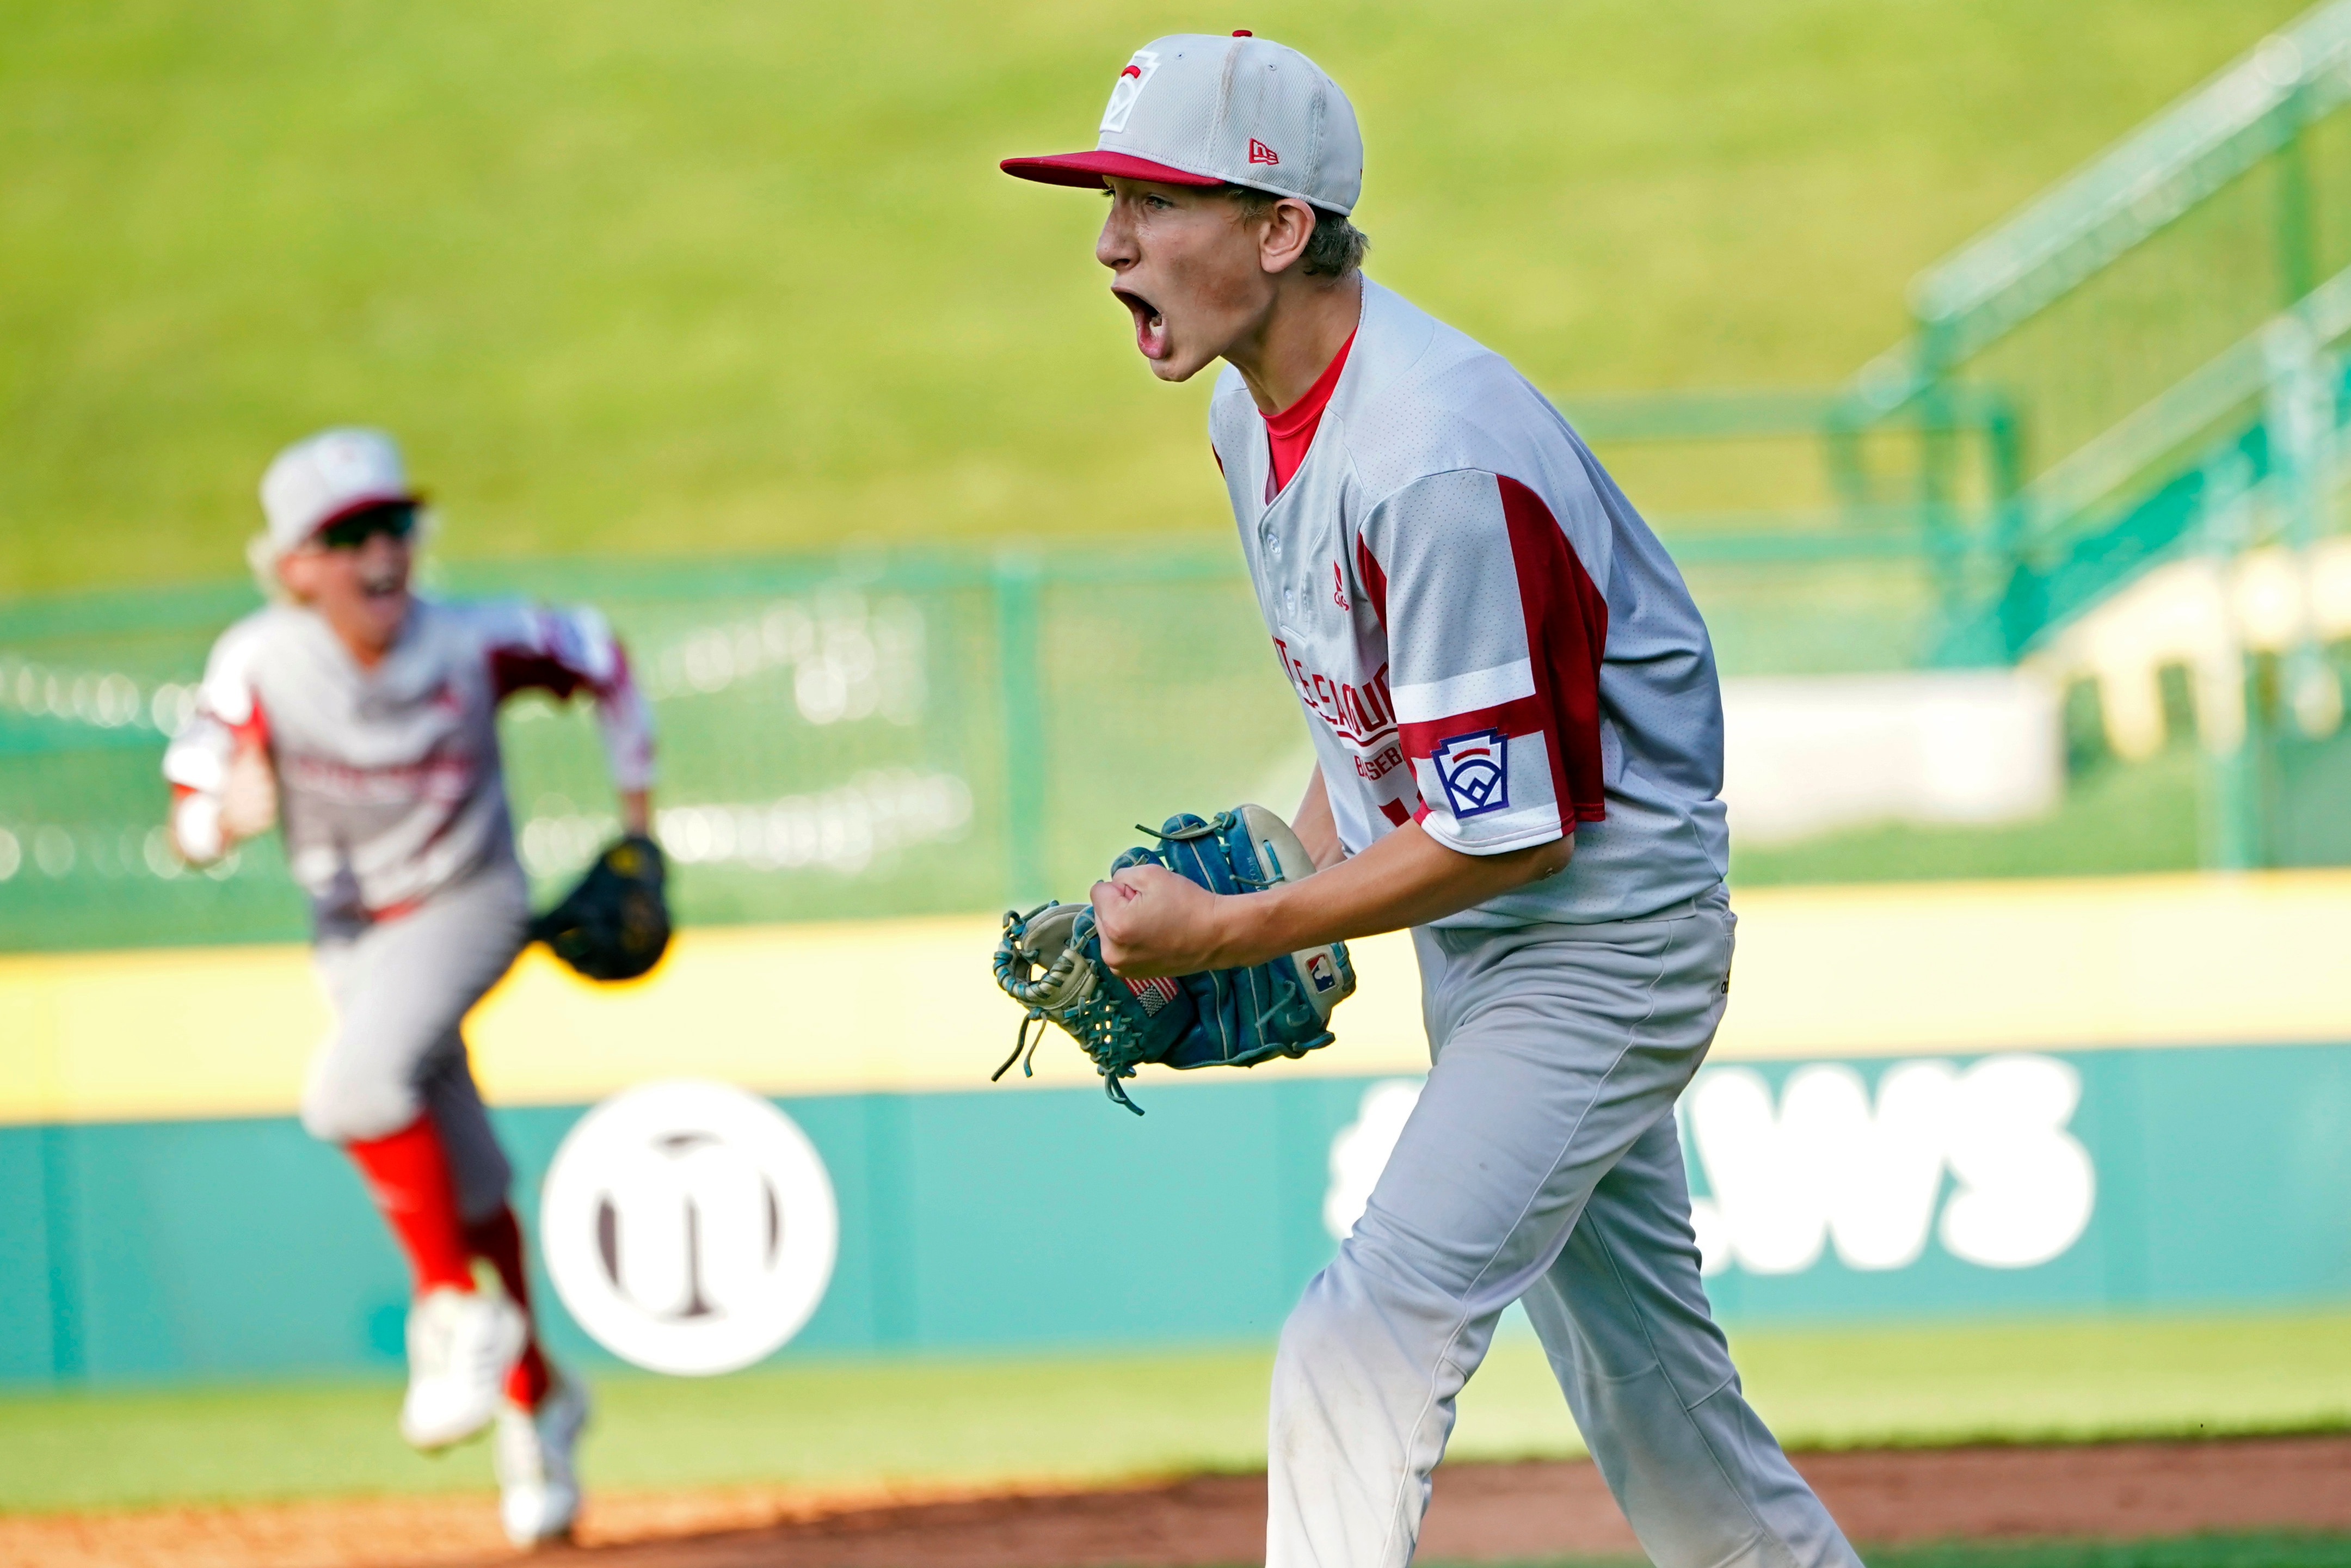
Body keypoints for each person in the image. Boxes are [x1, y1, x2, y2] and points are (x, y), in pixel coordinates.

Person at [1001, 34, 1862, 1568]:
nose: (1111, 241)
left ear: (1280, 228)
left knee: (1360, 1342)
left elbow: (1509, 823)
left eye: (1155, 199)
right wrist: (1288, 871)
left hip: (1601, 940)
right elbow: (1401, 746)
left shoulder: (1432, 454)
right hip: (1500, 937)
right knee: (1653, 1388)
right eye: (1108, 200)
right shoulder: (1246, 417)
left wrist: (1238, 929)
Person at [163, 427, 654, 1547]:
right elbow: (190, 798)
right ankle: (539, 1398)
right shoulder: (260, 660)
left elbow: (607, 659)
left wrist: (640, 830)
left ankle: (448, 1311)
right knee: (472, 1183)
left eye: (392, 525)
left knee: (349, 1091)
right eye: (344, 536)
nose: (379, 550)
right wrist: (213, 823)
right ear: (294, 564)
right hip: (352, 939)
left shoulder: (473, 640)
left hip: (470, 901)